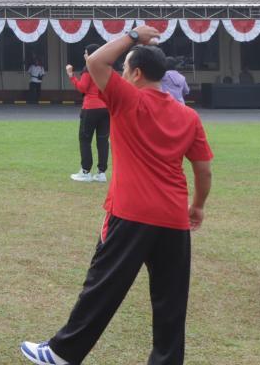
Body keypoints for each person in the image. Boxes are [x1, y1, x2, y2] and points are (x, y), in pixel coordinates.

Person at [20, 25, 214, 365]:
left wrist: (132, 36)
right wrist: (196, 206)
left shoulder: (129, 98)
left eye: (125, 68)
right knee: (171, 301)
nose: (121, 73)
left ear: (136, 73)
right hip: (172, 218)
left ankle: (63, 353)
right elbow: (203, 169)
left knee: (103, 287)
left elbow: (95, 62)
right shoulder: (188, 116)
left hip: (130, 214)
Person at [66, 44, 109, 183]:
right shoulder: (106, 68)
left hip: (90, 108)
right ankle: (101, 173)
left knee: (85, 140)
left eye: (86, 53)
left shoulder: (88, 68)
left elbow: (82, 87)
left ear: (90, 54)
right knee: (102, 141)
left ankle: (85, 171)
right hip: (105, 108)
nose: (84, 56)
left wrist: (71, 76)